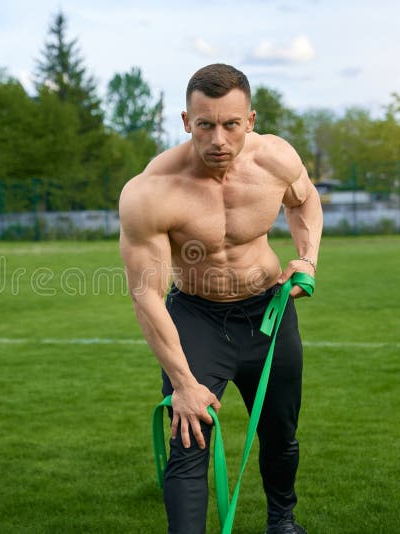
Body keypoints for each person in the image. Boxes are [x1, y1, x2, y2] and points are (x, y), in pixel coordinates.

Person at [119, 64, 323, 534]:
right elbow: (146, 295)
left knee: (279, 433)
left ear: (250, 120)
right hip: (197, 317)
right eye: (205, 124)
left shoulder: (276, 159)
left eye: (231, 124)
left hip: (268, 313)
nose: (218, 139)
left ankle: (282, 521)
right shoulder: (151, 191)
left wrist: (307, 259)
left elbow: (304, 200)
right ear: (186, 121)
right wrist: (183, 384)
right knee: (189, 436)